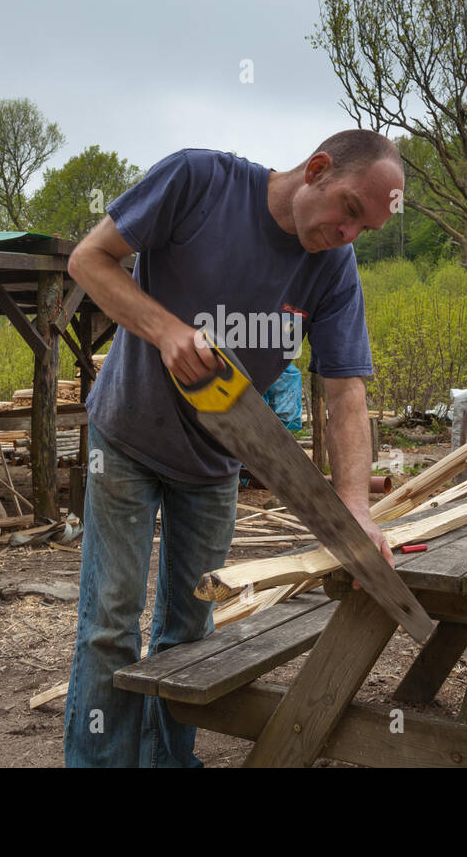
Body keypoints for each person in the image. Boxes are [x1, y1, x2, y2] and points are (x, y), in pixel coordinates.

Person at [63, 129, 404, 767]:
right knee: (111, 622)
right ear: (318, 169)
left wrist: (356, 510)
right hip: (128, 438)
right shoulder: (199, 183)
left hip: (216, 460)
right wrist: (166, 332)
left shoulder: (333, 266)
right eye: (350, 210)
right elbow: (88, 260)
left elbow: (346, 392)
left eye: (365, 229)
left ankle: (168, 762)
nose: (347, 234)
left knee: (189, 632)